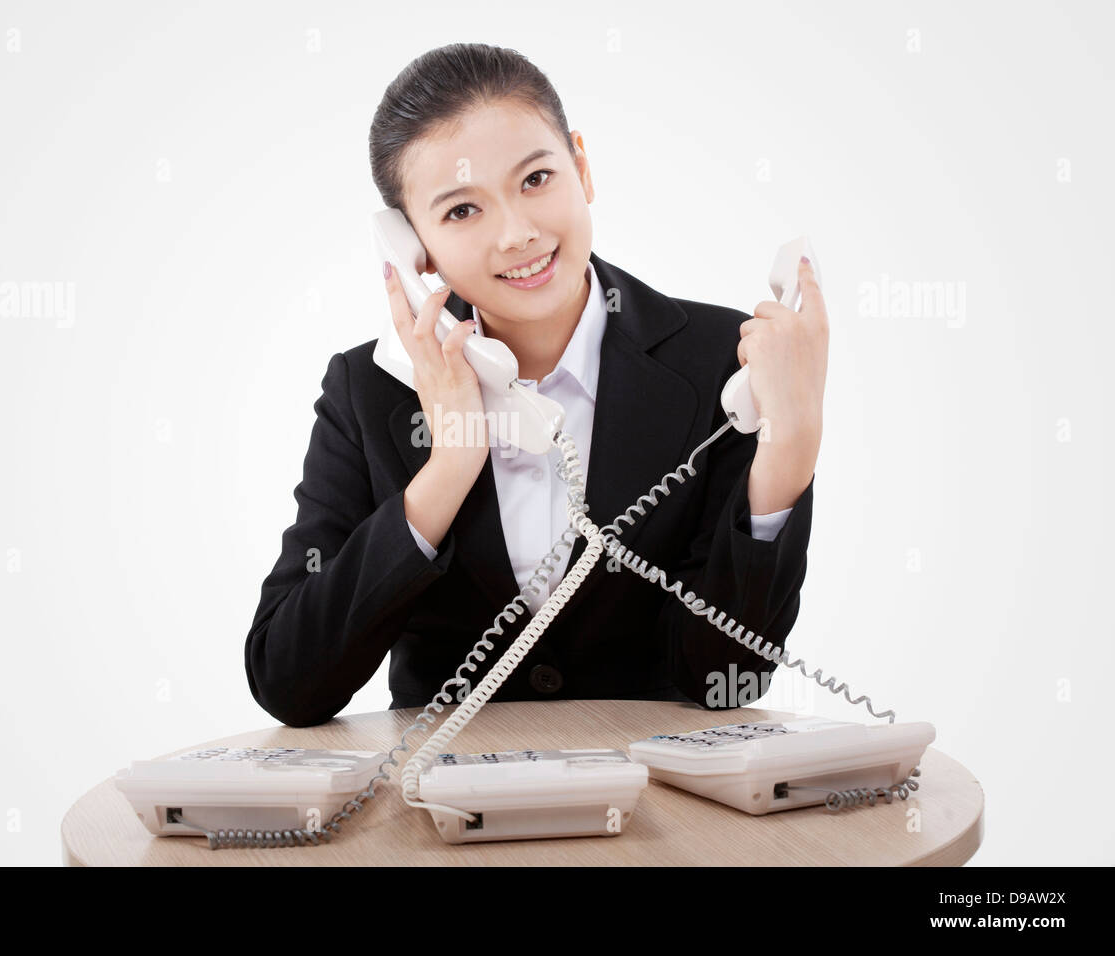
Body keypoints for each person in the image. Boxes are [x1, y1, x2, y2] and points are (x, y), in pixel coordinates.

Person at [246, 43, 828, 728]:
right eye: (462, 211)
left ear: (581, 168)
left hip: (657, 815)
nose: (517, 234)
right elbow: (289, 682)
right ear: (412, 246)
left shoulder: (720, 364)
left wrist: (791, 446)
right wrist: (450, 466)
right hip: (446, 812)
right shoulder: (369, 392)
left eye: (536, 180)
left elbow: (725, 679)